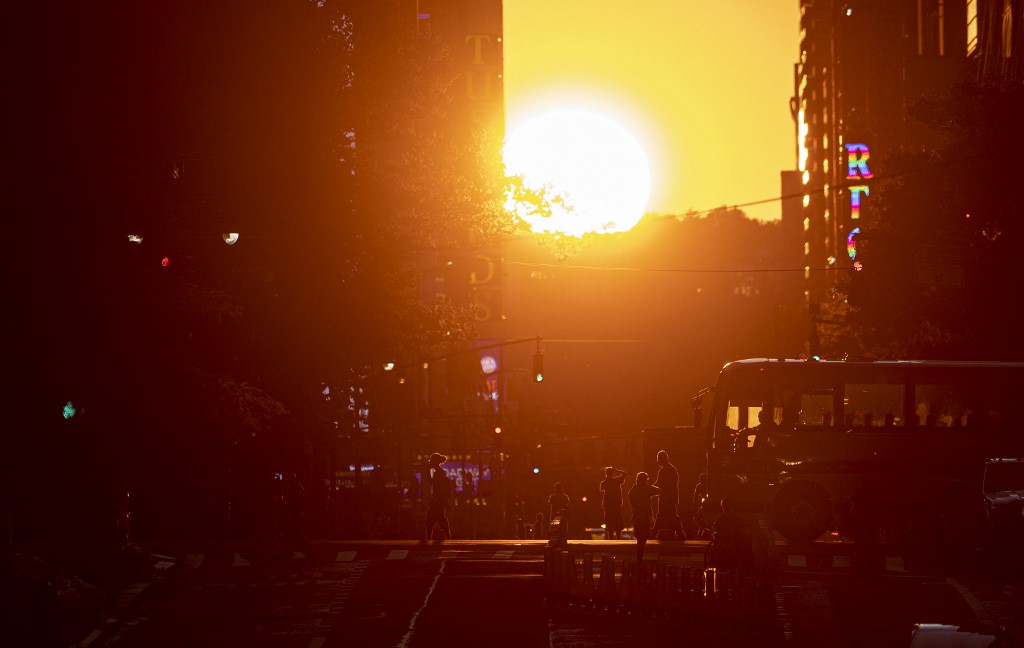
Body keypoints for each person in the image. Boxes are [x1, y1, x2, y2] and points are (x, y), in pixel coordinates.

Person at [279, 472, 317, 559]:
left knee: (295, 533)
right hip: (294, 513)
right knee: (293, 533)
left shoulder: (295, 489)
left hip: (294, 513)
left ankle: (310, 547)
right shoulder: (295, 488)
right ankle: (288, 551)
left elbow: (295, 504)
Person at [652, 450, 686, 540]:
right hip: (671, 497)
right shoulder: (671, 469)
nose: (658, 461)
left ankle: (653, 534)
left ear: (662, 459)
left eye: (659, 459)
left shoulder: (664, 471)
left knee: (662, 516)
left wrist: (650, 490)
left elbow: (659, 484)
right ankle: (680, 533)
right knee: (671, 515)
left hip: (666, 497)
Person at [627, 472, 661, 561]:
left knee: (640, 537)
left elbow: (630, 497)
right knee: (643, 537)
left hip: (637, 515)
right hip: (644, 515)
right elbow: (658, 490)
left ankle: (639, 556)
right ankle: (639, 557)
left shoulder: (634, 489)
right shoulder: (647, 489)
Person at [712, 497, 749, 572]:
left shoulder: (719, 519)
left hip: (722, 551)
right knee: (733, 570)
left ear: (722, 506)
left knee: (722, 570)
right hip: (734, 551)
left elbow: (716, 534)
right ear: (732, 507)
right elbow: (743, 534)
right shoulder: (737, 519)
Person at [423, 453, 452, 541]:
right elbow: (432, 483)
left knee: (429, 521)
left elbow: (440, 488)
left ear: (434, 462)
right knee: (440, 520)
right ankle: (448, 539)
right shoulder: (439, 472)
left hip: (438, 501)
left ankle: (429, 541)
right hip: (438, 501)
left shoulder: (439, 473)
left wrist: (445, 501)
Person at [599, 467, 627, 540]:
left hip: (608, 505)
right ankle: (618, 539)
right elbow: (625, 474)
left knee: (609, 522)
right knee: (618, 522)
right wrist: (617, 470)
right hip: (616, 504)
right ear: (613, 473)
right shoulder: (617, 480)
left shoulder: (604, 482)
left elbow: (601, 488)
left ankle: (611, 539)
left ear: (606, 474)